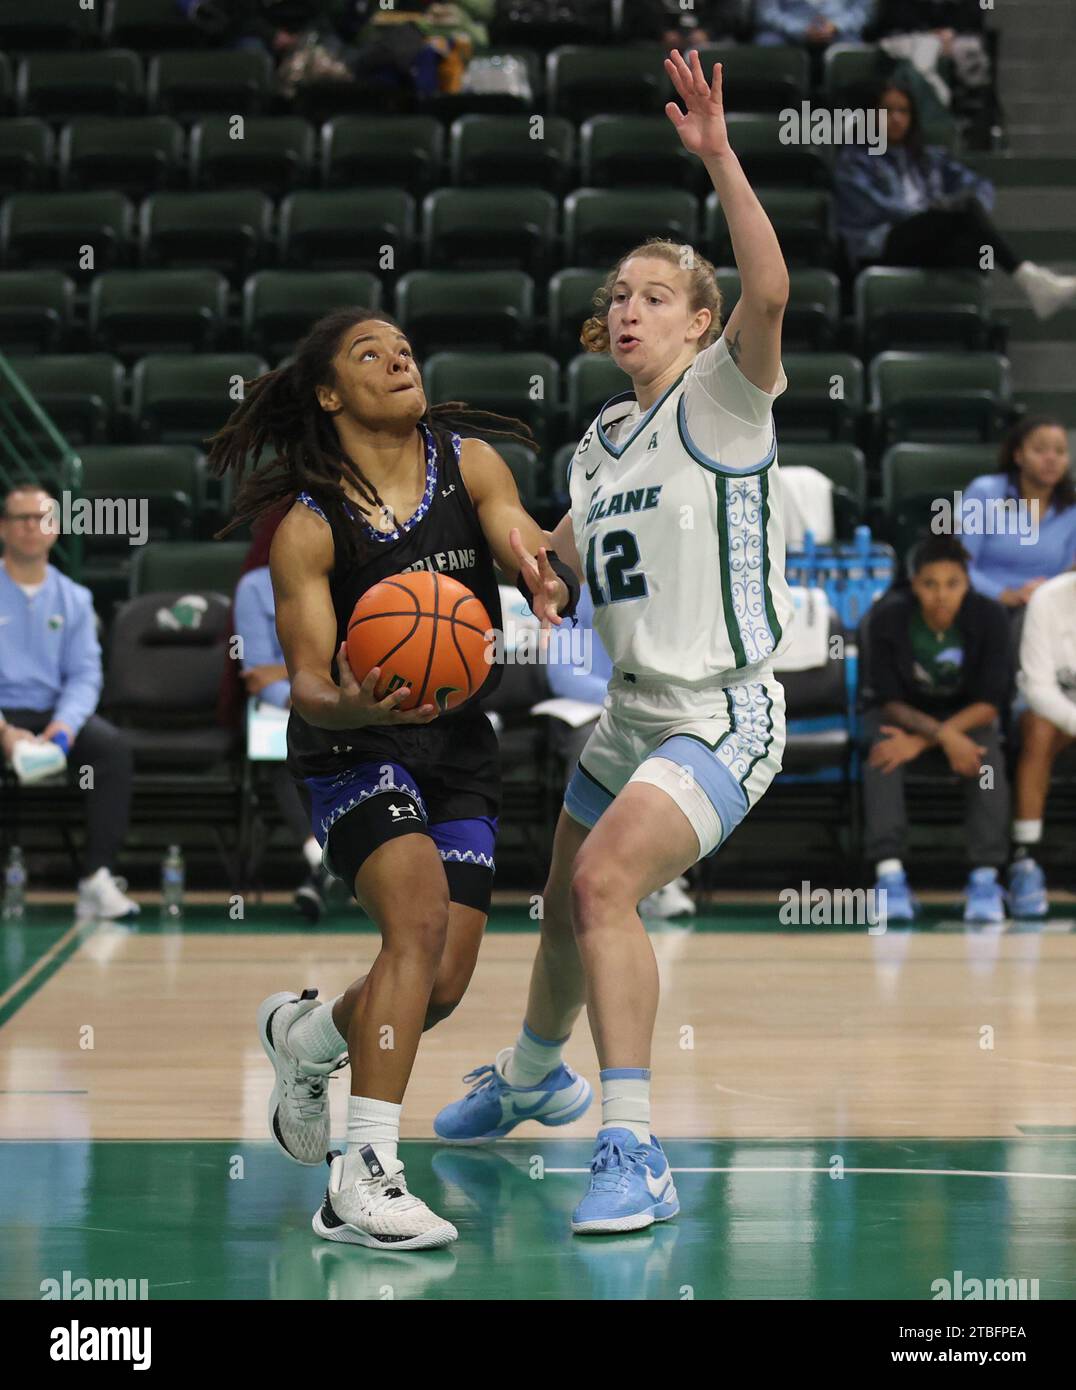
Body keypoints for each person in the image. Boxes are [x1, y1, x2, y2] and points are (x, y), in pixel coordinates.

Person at [436, 51, 794, 1236]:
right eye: (619, 293)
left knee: (600, 886)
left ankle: (632, 1143)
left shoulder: (723, 397)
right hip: (630, 711)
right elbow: (558, 553)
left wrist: (719, 158)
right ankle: (537, 1072)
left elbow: (772, 286)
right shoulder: (597, 441)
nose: (627, 305)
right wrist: (520, 554)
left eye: (655, 292)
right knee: (559, 907)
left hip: (723, 708)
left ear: (700, 322)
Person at [207, 307, 578, 1250]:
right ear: (329, 393)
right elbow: (309, 685)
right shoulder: (308, 526)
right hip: (351, 746)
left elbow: (519, 536)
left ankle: (311, 1039)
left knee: (440, 984)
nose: (398, 356)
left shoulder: (471, 462)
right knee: (411, 927)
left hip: (458, 741)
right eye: (369, 353)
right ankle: (362, 1177)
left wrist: (540, 575)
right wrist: (359, 709)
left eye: (404, 346)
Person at [0, 484, 138, 921]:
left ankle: (96, 877)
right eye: (20, 518)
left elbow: (84, 675)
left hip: (52, 713)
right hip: (3, 715)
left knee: (110, 749)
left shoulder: (75, 599)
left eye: (41, 518)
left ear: (55, 529)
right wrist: (5, 733)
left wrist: (61, 731)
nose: (30, 528)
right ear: (3, 528)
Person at [861, 535, 1012, 924]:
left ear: (967, 584)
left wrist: (932, 739)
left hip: (967, 719)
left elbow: (990, 702)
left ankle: (985, 878)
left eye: (952, 584)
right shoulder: (888, 617)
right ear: (914, 585)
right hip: (903, 717)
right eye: (930, 584)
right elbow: (888, 700)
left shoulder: (991, 617)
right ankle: (890, 875)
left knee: (988, 763)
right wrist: (937, 738)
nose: (941, 595)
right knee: (883, 753)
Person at [835, 81, 1076, 319]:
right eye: (887, 110)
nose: (896, 118)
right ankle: (1031, 280)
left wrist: (957, 211)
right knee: (964, 213)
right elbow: (873, 207)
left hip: (929, 238)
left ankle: (972, 332)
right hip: (884, 244)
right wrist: (934, 211)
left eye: (904, 111)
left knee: (976, 250)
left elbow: (981, 186)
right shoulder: (855, 160)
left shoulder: (929, 159)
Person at [545, 583, 696, 919]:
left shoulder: (659, 595)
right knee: (592, 741)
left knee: (675, 742)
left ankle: (659, 879)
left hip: (649, 712)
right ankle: (590, 874)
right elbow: (563, 675)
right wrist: (623, 702)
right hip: (595, 711)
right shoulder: (574, 599)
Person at [229, 505, 337, 921]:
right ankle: (326, 861)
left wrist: (307, 679)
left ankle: (326, 867)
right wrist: (308, 690)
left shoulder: (346, 578)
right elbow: (258, 674)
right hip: (284, 705)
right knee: (287, 750)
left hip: (344, 698)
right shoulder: (256, 587)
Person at [1008, 570, 1076, 917]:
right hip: (1048, 708)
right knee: (1038, 729)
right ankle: (1026, 858)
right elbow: (1037, 689)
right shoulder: (1047, 599)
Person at [959, 418, 1076, 618]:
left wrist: (1044, 593)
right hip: (985, 604)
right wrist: (1005, 595)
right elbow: (958, 564)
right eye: (1040, 450)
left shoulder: (1072, 505)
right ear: (1018, 455)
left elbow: (1068, 572)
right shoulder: (984, 492)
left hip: (1048, 606)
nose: (1051, 459)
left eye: (1060, 451)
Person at [754, 0, 872, 49]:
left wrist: (837, 25)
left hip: (840, 33)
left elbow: (864, 12)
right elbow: (765, 13)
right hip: (785, 33)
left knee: (854, 53)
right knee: (766, 46)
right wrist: (801, 29)